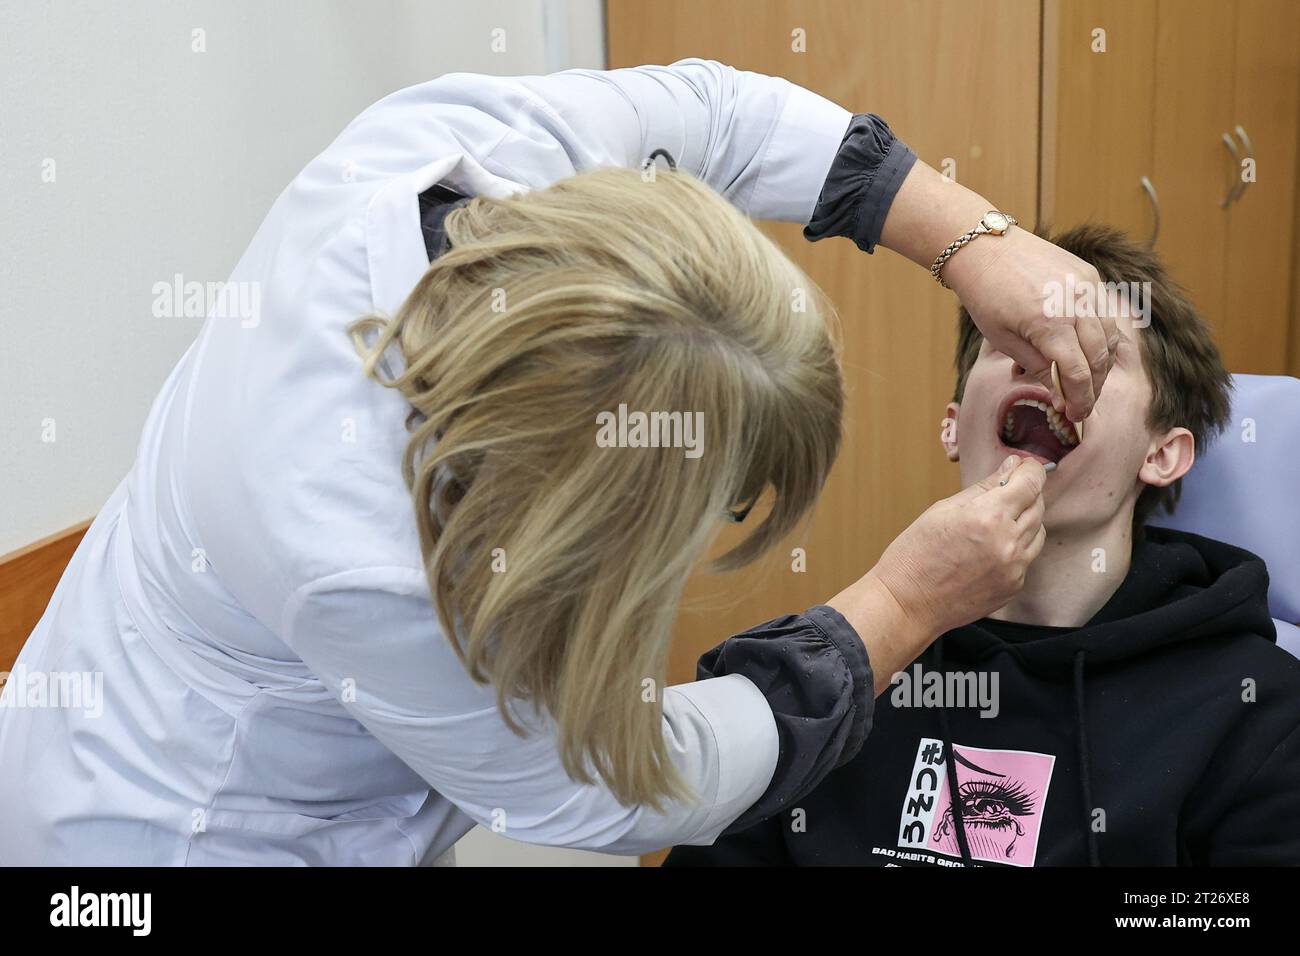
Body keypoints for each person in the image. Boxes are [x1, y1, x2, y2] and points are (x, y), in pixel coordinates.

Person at [0, 61, 1115, 865]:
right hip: (167, 827)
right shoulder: (360, 559)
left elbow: (725, 114)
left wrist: (980, 241)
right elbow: (623, 791)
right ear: (588, 510)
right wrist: (902, 603)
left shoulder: (464, 153)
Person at [666, 224, 1300, 867]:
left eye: (1093, 352)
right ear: (952, 425)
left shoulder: (1255, 706)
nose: (1046, 361)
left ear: (1163, 454)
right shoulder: (834, 675)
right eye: (1014, 342)